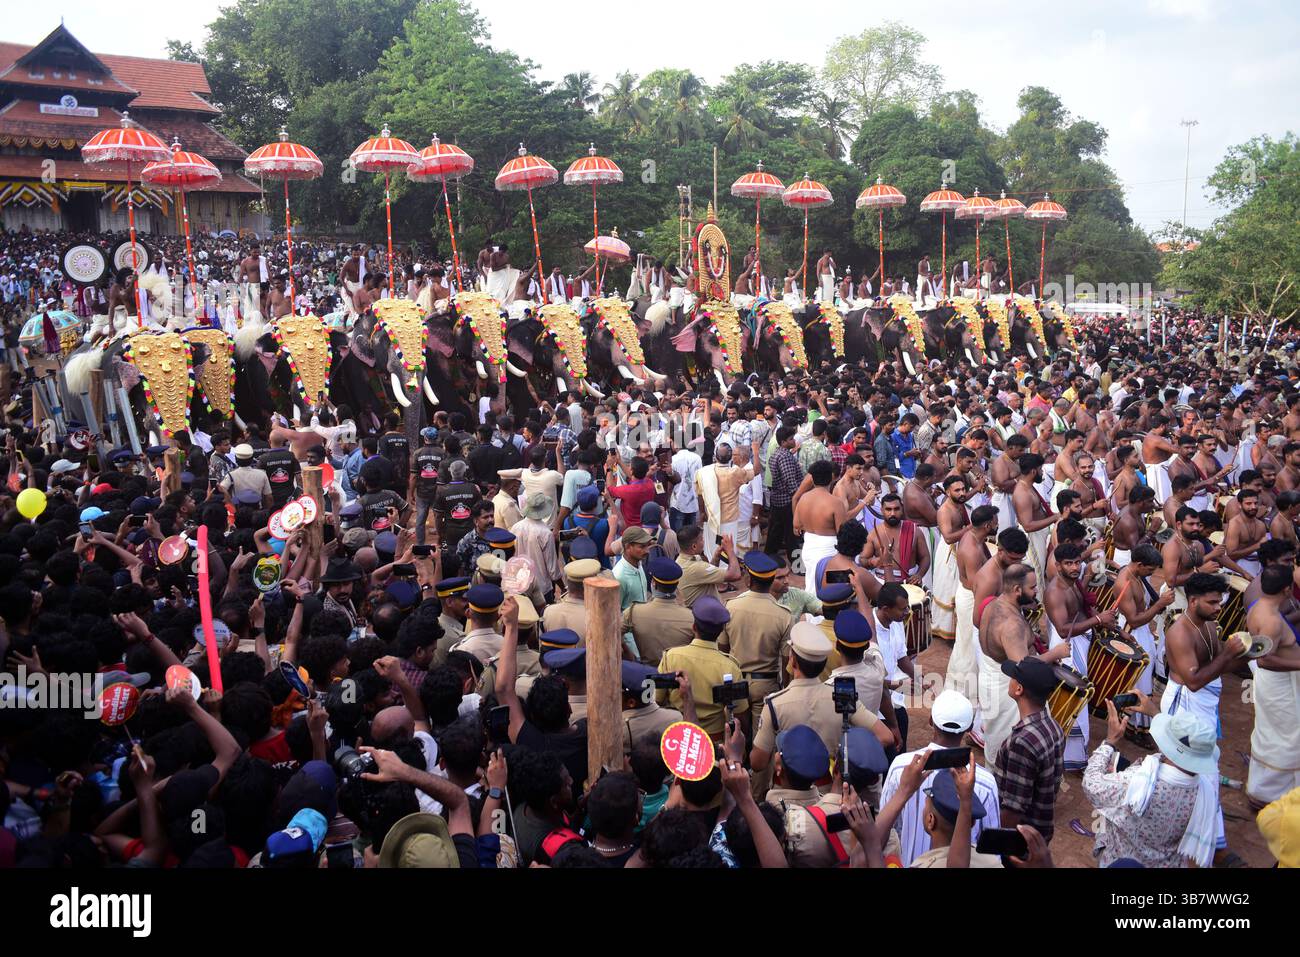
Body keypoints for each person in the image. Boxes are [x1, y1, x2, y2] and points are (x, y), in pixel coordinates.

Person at [1084, 700, 1223, 869]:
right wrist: (1155, 713)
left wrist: (1109, 743)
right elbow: (1182, 749)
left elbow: (1091, 783)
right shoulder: (1206, 791)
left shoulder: (1135, 783)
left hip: (1121, 861)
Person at [879, 689, 1000, 866]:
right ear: (968, 728)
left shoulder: (901, 766)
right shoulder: (985, 782)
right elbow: (990, 847)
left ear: (930, 721)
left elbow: (887, 827)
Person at [1242, 564, 1300, 808]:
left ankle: (1263, 790)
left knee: (1272, 733)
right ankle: (1268, 795)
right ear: (1287, 589)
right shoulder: (1272, 621)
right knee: (1286, 736)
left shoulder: (1258, 607)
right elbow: (1264, 659)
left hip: (1274, 684)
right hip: (1278, 685)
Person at [993, 656, 1066, 843]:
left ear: (1019, 689)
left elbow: (1013, 808)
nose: (1010, 679)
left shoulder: (1023, 742)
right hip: (1040, 832)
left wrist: (999, 845)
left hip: (1020, 841)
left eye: (1013, 677)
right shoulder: (1054, 727)